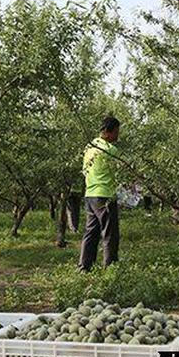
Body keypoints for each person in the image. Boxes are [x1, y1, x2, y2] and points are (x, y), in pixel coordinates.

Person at [78, 116, 121, 272]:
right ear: (108, 133)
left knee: (91, 232)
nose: (117, 136)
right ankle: (111, 269)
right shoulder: (110, 150)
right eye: (116, 132)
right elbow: (119, 173)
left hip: (90, 194)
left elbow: (84, 172)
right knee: (110, 233)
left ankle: (84, 267)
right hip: (105, 195)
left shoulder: (89, 149)